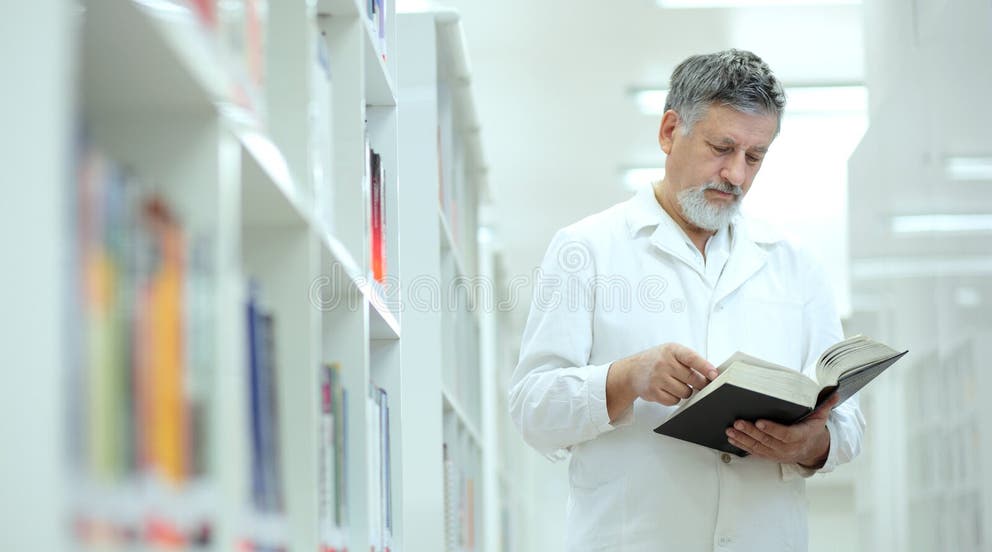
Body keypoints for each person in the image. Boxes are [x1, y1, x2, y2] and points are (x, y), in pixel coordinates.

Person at [508, 49, 865, 551]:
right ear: (669, 131)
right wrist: (626, 377)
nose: (736, 175)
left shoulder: (796, 263)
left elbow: (847, 422)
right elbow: (532, 411)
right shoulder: (586, 248)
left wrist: (813, 444)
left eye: (755, 156)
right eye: (722, 147)